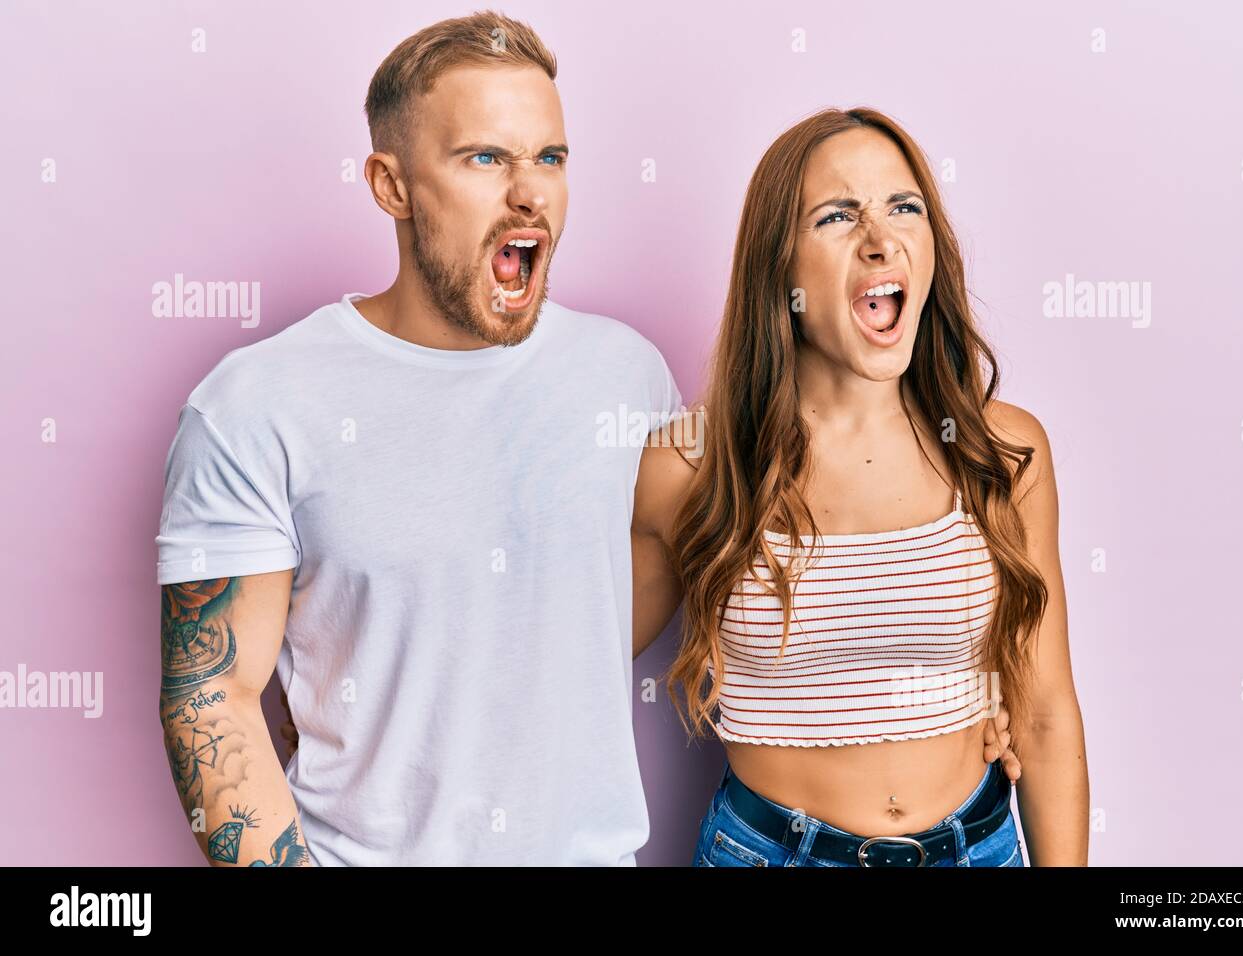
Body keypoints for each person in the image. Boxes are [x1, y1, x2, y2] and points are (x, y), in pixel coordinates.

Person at [155, 12, 684, 866]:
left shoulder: (626, 379)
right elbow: (211, 697)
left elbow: (621, 588)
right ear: (391, 185)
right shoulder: (255, 404)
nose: (530, 192)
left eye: (549, 157)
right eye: (485, 158)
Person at [631, 108, 1088, 866]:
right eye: (838, 216)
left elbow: (1043, 717)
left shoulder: (1001, 452)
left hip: (977, 848)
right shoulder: (693, 467)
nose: (881, 238)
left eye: (903, 207)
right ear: (780, 268)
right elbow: (566, 659)